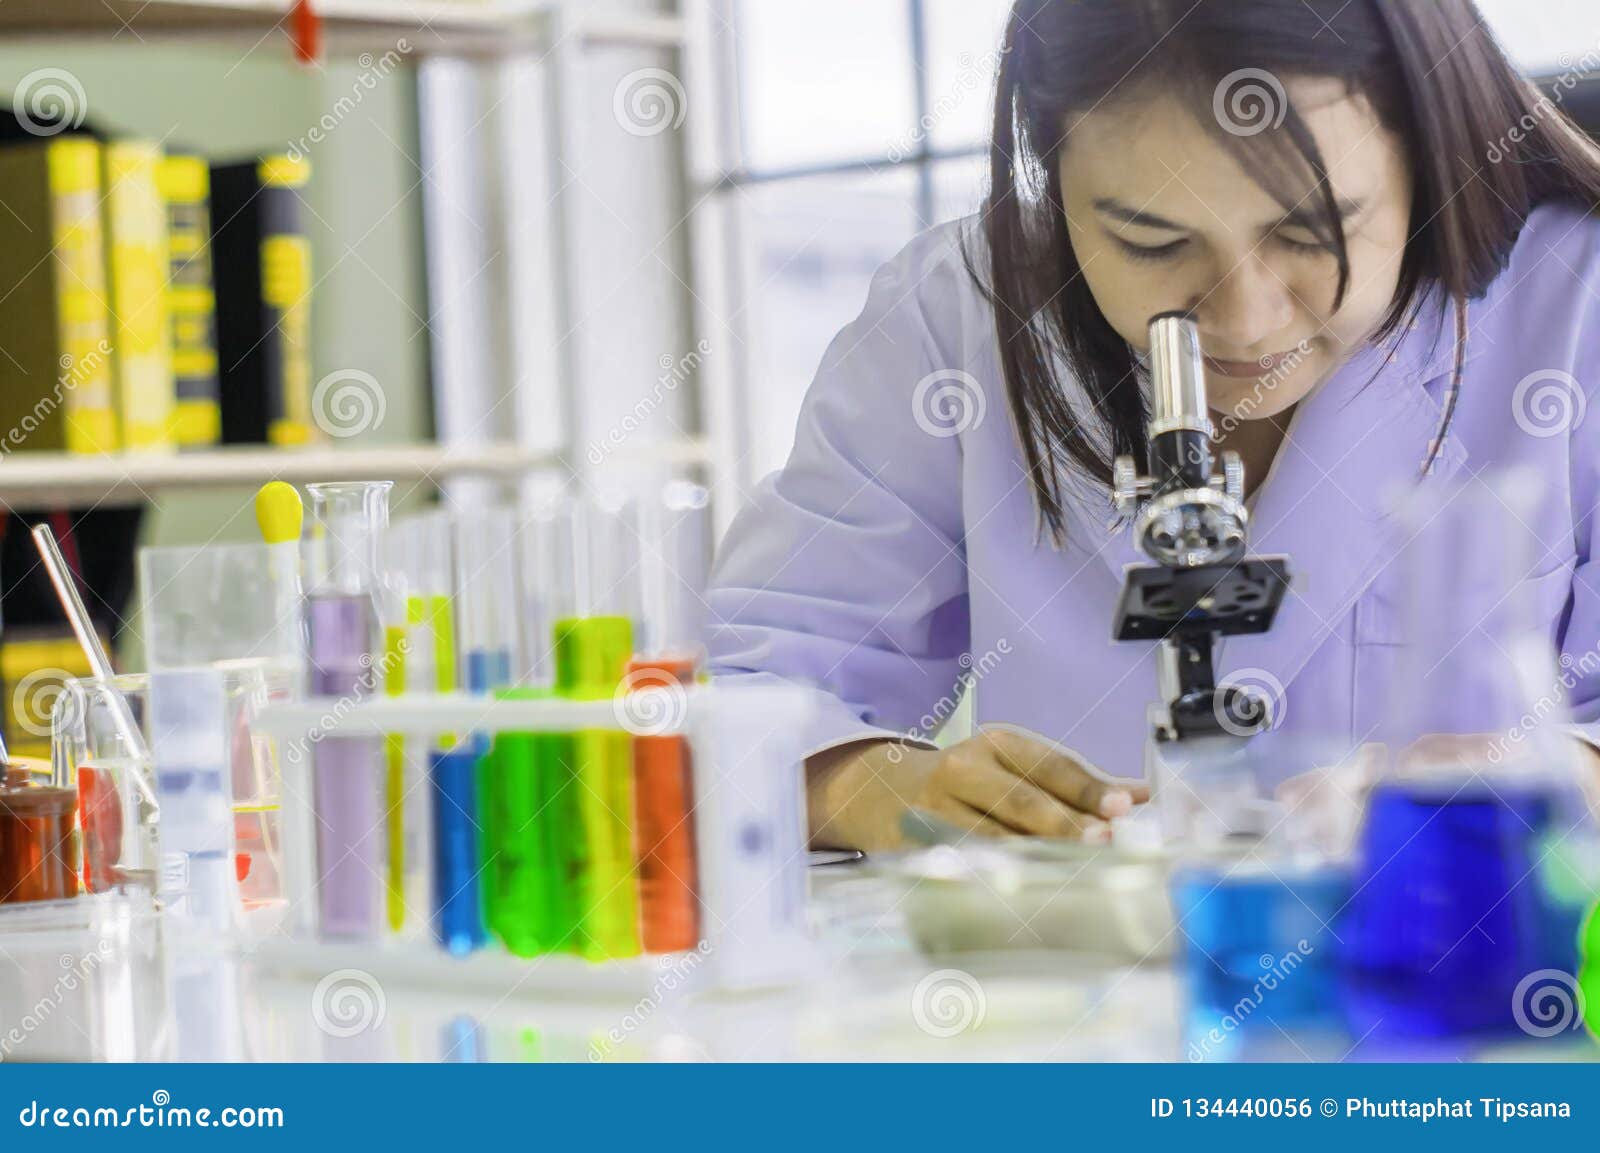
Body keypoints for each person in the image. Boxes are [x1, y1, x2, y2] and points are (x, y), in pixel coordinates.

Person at [705, 0, 1600, 851]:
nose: (1245, 319)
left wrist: (1489, 791)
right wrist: (888, 790)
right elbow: (749, 693)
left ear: (1429, 144)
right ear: (1053, 179)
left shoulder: (1577, 304)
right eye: (1152, 243)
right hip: (1079, 986)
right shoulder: (961, 317)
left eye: (1312, 230)